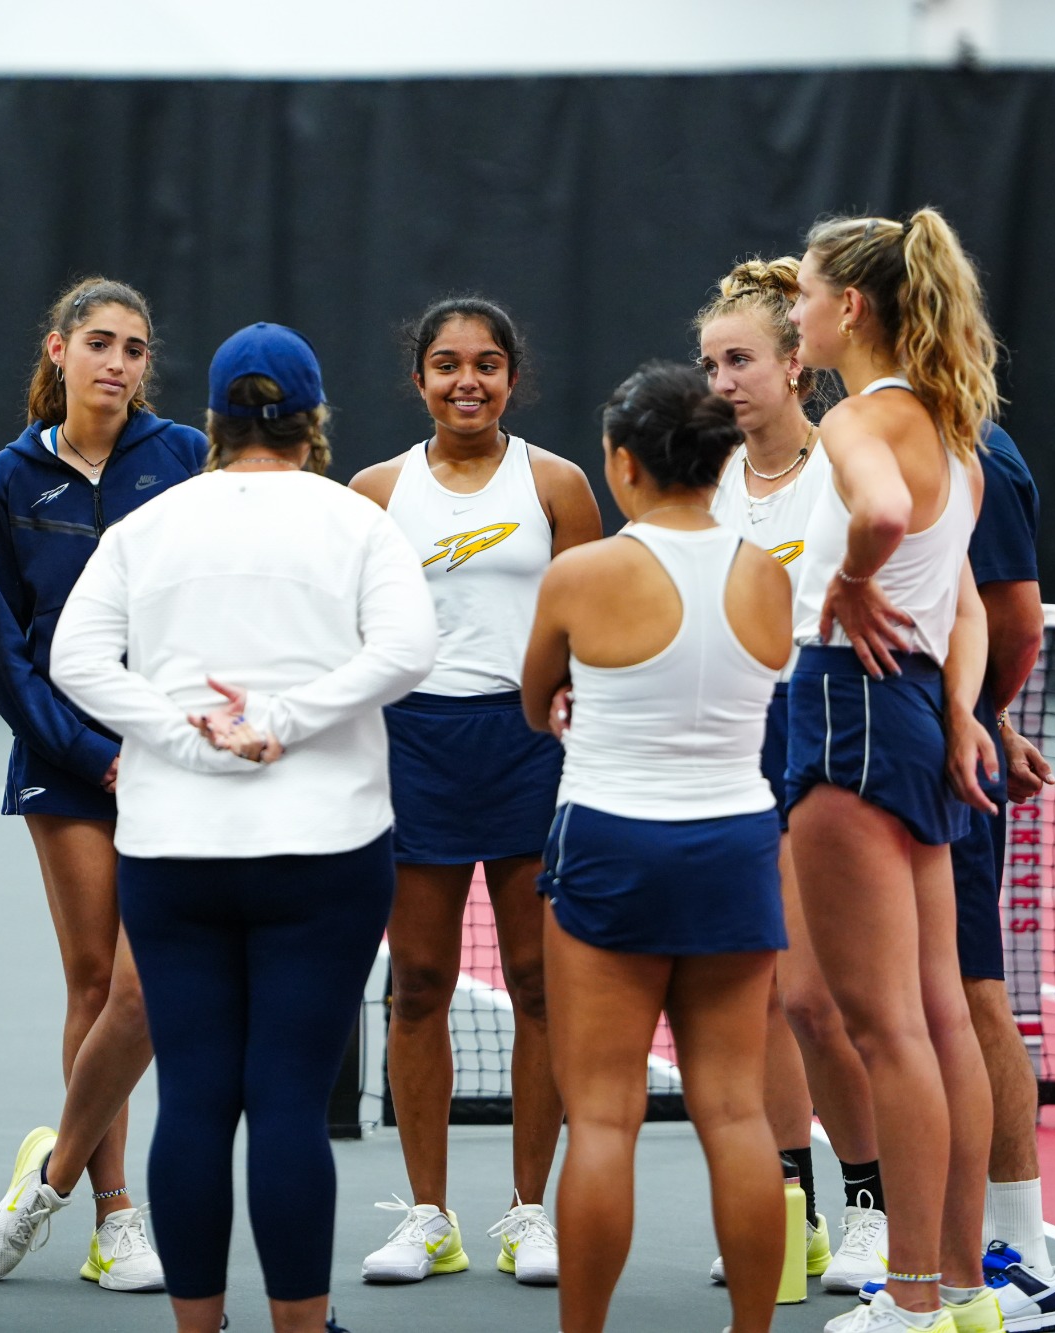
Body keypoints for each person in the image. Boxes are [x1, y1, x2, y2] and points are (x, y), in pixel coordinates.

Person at [0, 323, 436, 1333]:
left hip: (172, 852)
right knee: (285, 1101)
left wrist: (183, 744)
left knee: (192, 1099)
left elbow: (77, 664)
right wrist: (277, 725)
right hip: (326, 854)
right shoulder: (355, 522)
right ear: (314, 424)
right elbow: (409, 648)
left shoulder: (148, 527)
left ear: (212, 423)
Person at [522, 361, 792, 1333]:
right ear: (720, 462)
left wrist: (570, 697)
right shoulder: (769, 576)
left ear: (621, 463)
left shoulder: (580, 574)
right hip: (734, 847)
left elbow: (532, 700)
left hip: (610, 846)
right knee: (735, 1113)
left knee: (601, 1118)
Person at [782, 207, 1006, 1333]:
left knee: (888, 1030)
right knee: (937, 1017)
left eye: (807, 292)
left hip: (848, 707)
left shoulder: (856, 422)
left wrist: (850, 583)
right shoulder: (952, 433)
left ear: (850, 308)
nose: (796, 312)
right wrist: (958, 709)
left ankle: (910, 1297)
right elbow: (961, 601)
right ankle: (963, 1290)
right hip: (914, 711)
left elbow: (875, 515)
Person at [348, 296, 598, 1285]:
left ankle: (529, 1211)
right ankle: (426, 1214)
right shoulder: (371, 492)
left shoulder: (559, 485)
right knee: (416, 985)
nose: (467, 381)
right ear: (418, 379)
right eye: (447, 364)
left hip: (530, 745)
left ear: (510, 377)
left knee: (540, 984)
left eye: (487, 364)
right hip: (412, 750)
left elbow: (597, 622)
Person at [0, 277, 205, 1291]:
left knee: (142, 990)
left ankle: (50, 1178)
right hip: (67, 766)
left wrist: (166, 735)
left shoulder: (186, 459)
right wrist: (87, 751)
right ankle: (116, 1215)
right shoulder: (9, 480)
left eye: (135, 348)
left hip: (172, 760)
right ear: (57, 349)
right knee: (90, 981)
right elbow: (4, 650)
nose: (117, 362)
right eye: (98, 342)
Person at [697, 257, 890, 1297]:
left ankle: (869, 1205)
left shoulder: (840, 469)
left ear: (793, 369)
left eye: (740, 361)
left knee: (817, 999)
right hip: (721, 749)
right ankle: (788, 1210)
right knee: (754, 1000)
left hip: (815, 738)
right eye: (711, 364)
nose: (722, 381)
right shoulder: (707, 478)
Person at [947, 428, 1055, 1331]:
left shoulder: (973, 450)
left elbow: (1015, 620)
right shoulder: (854, 436)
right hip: (859, 750)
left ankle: (1024, 1254)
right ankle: (923, 1243)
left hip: (937, 762)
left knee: (967, 992)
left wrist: (982, 716)